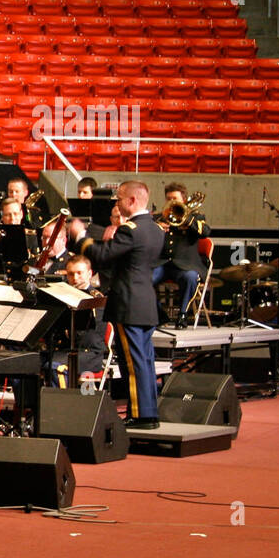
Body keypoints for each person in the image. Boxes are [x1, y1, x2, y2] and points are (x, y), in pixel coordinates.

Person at [71, 180, 165, 429]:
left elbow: (102, 255)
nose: (116, 201)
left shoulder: (130, 230)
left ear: (132, 200)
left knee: (133, 363)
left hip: (129, 304)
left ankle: (141, 416)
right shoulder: (155, 229)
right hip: (146, 302)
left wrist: (81, 236)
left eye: (120, 197)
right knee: (145, 361)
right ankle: (149, 412)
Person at [152, 182, 209, 326]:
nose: (172, 201)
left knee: (190, 277)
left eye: (175, 198)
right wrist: (156, 228)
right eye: (169, 198)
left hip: (185, 265)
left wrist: (187, 219)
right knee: (142, 278)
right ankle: (159, 314)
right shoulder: (159, 218)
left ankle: (183, 314)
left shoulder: (196, 217)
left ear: (183, 200)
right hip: (162, 264)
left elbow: (206, 232)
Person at [50, 254, 108, 388]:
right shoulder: (63, 297)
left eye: (79, 273)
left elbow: (89, 336)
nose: (75, 278)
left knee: (55, 366)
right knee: (28, 362)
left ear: (89, 274)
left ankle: (61, 402)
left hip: (89, 353)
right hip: (66, 350)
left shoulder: (96, 299)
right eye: (71, 274)